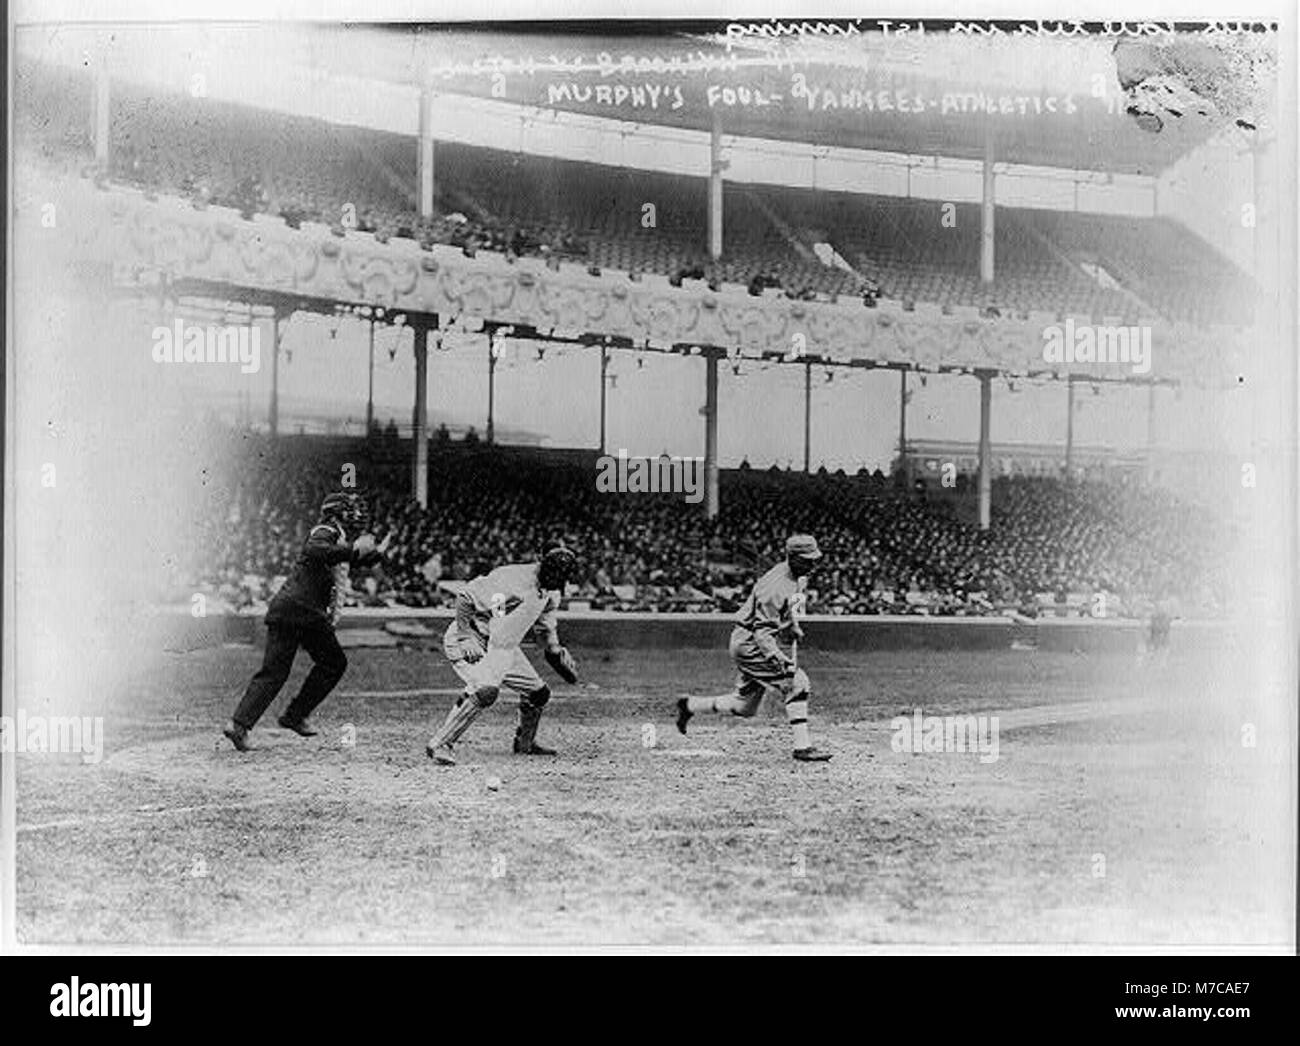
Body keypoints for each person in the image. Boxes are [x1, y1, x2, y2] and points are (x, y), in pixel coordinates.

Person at [223, 492, 387, 751]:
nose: (356, 515)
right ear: (336, 513)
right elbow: (317, 549)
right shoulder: (326, 529)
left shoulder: (336, 535)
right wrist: (356, 550)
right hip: (305, 610)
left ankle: (239, 724)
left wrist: (375, 555)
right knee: (333, 663)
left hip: (287, 608)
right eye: (350, 510)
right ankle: (295, 715)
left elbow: (340, 558)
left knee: (274, 672)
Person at [675, 534, 831, 762]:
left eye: (814, 558)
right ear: (791, 557)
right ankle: (802, 747)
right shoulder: (774, 586)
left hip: (754, 639)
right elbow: (763, 632)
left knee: (744, 707)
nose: (812, 564)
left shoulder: (799, 575)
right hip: (751, 643)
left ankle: (689, 705)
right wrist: (778, 658)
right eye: (807, 559)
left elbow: (789, 607)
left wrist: (792, 626)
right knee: (797, 682)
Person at [426, 545, 580, 766]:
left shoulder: (550, 592)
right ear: (547, 569)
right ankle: (440, 744)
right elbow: (466, 596)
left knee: (538, 694)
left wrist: (556, 652)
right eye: (559, 575)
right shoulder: (512, 579)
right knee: (485, 690)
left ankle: (525, 743)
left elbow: (545, 631)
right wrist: (464, 636)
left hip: (503, 647)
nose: (562, 582)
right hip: (473, 636)